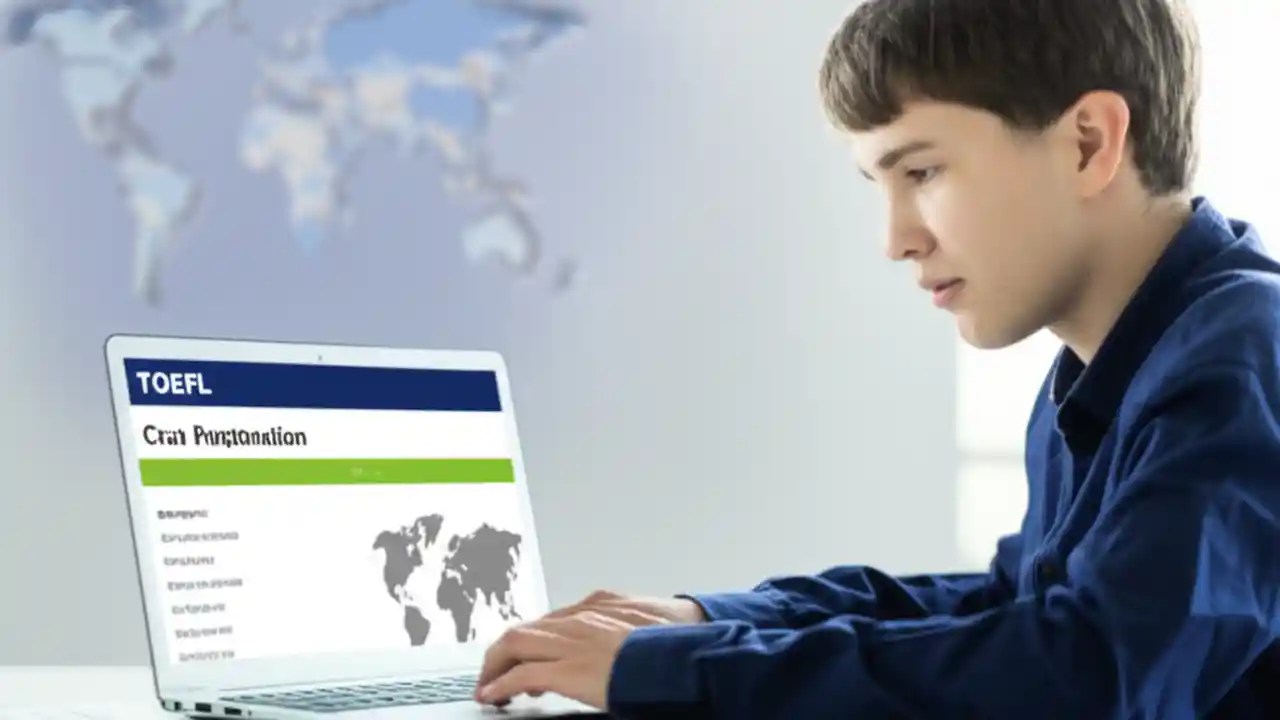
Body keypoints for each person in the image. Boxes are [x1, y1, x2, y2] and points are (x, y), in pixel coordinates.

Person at [474, 0, 1280, 716]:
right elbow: (1007, 606)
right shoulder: (1111, 368)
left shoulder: (1246, 354)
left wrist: (684, 670)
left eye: (922, 171)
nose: (895, 239)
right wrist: (713, 621)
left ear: (1087, 143)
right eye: (878, 183)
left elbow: (1092, 675)